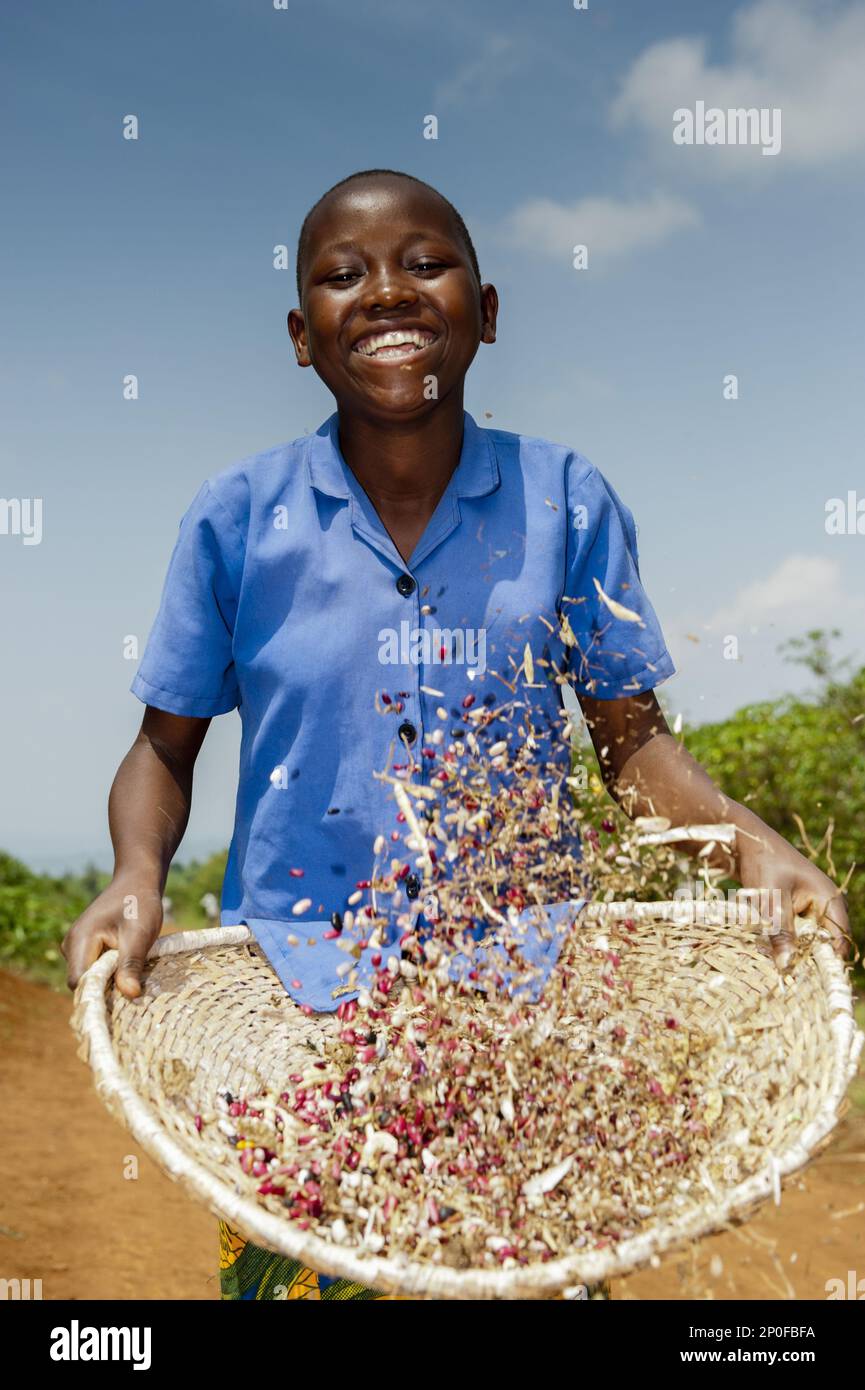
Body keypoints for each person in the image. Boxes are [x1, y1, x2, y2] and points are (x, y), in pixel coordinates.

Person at [63, 168, 849, 1301]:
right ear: (301, 334)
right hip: (297, 1012)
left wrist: (746, 839)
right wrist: (137, 871)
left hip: (526, 1009)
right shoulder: (239, 519)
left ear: (486, 312)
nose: (385, 293)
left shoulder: (565, 500)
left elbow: (631, 748)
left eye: (424, 263)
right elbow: (162, 749)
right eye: (343, 276)